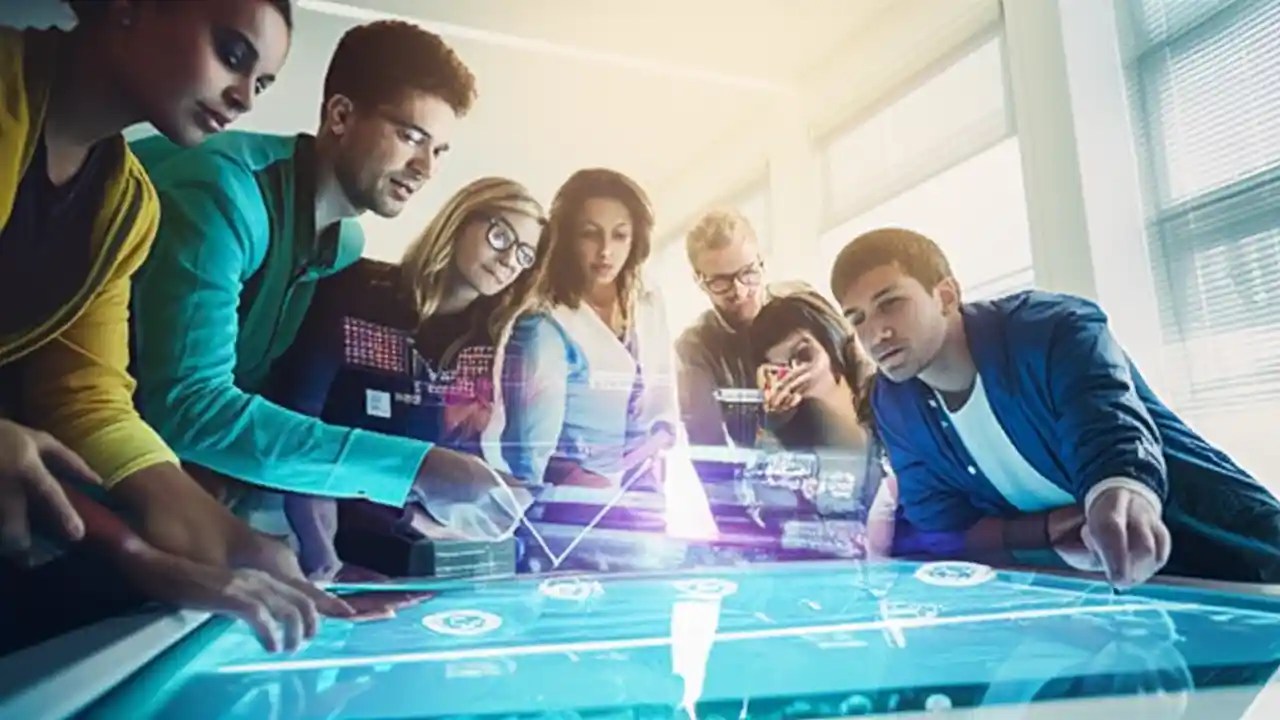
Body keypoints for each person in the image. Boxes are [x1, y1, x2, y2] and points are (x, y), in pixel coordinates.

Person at [0, 0, 351, 654]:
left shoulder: (126, 207)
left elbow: (87, 402)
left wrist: (237, 544)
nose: (244, 97)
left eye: (262, 83)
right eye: (233, 54)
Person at [128, 19, 527, 556]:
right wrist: (416, 467)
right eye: (411, 136)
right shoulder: (224, 196)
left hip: (159, 498)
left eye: (439, 151)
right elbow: (188, 408)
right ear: (340, 115)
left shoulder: (344, 245)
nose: (424, 169)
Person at [830, 227, 1280, 587]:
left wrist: (1119, 495)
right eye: (858, 320)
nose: (876, 334)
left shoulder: (1051, 329)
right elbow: (941, 525)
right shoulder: (893, 403)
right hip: (1116, 600)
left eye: (891, 304)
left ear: (946, 295)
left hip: (1233, 556)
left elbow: (1108, 426)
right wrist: (1047, 530)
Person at [269, 177, 546, 578]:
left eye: (524, 255)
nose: (508, 261)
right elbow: (297, 424)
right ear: (460, 220)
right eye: (500, 236)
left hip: (430, 548)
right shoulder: (354, 288)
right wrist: (324, 558)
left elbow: (467, 462)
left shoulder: (498, 338)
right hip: (319, 532)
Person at [747, 294, 896, 557]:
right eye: (778, 370)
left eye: (803, 355)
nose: (795, 374)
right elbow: (773, 529)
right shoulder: (787, 449)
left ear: (833, 344)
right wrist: (774, 430)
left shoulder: (892, 405)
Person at [675, 209, 813, 447]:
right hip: (759, 469)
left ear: (761, 263)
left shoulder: (802, 301)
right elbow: (705, 440)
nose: (739, 291)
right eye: (720, 281)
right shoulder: (695, 346)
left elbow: (857, 371)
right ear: (699, 280)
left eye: (748, 273)